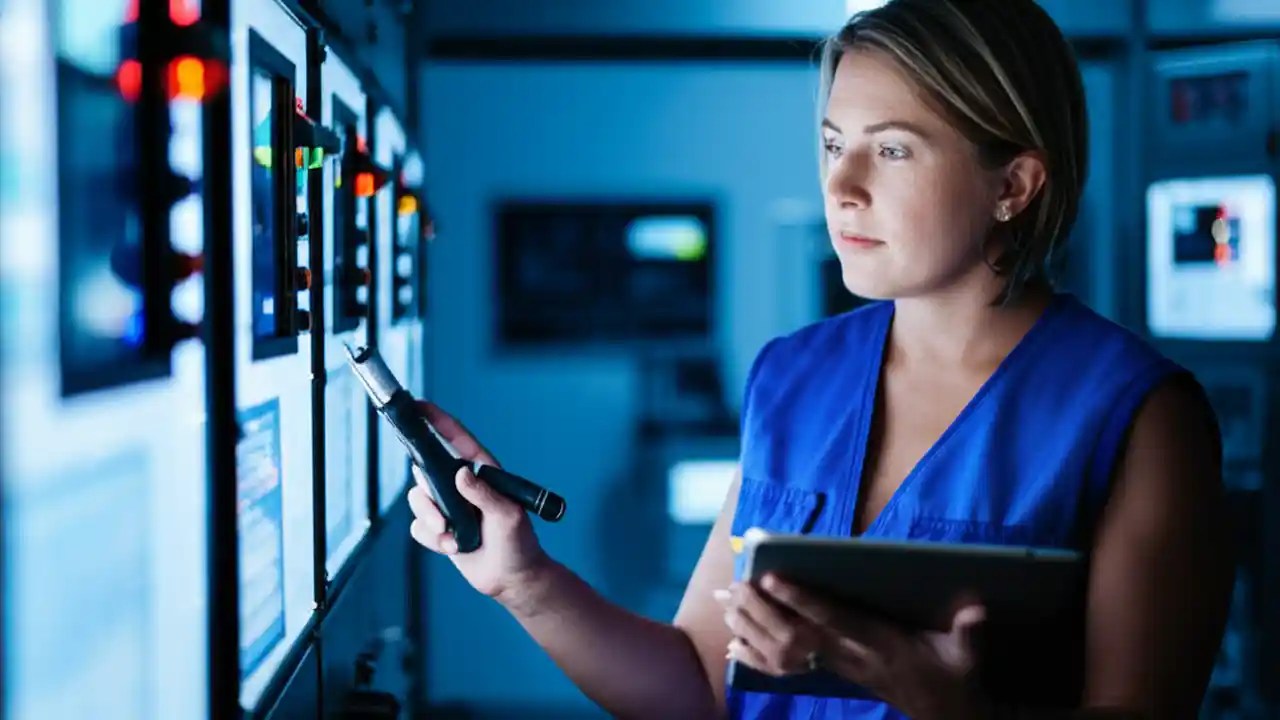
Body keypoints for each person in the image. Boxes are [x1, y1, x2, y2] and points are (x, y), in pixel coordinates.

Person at [406, 0, 1235, 717]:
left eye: (894, 149)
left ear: (1013, 186)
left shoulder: (1141, 417)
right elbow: (700, 688)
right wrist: (524, 580)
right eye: (836, 145)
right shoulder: (794, 377)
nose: (842, 186)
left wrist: (950, 706)